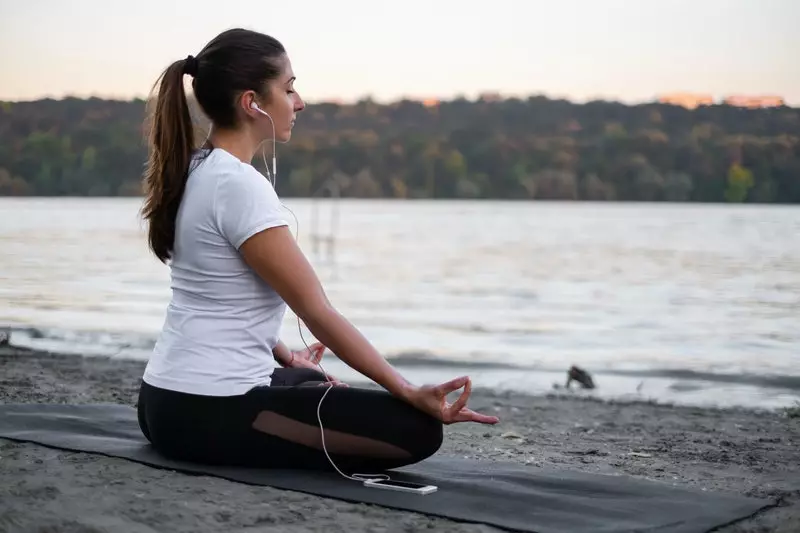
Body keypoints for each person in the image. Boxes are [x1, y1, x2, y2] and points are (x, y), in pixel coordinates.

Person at [136, 28, 499, 474]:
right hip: (207, 412)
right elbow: (317, 311)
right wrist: (406, 389)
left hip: (159, 403)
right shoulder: (239, 185)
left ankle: (290, 379)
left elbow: (219, 294)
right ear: (252, 103)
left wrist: (287, 356)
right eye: (288, 88)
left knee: (310, 378)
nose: (299, 101)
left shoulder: (198, 169)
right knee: (418, 429)